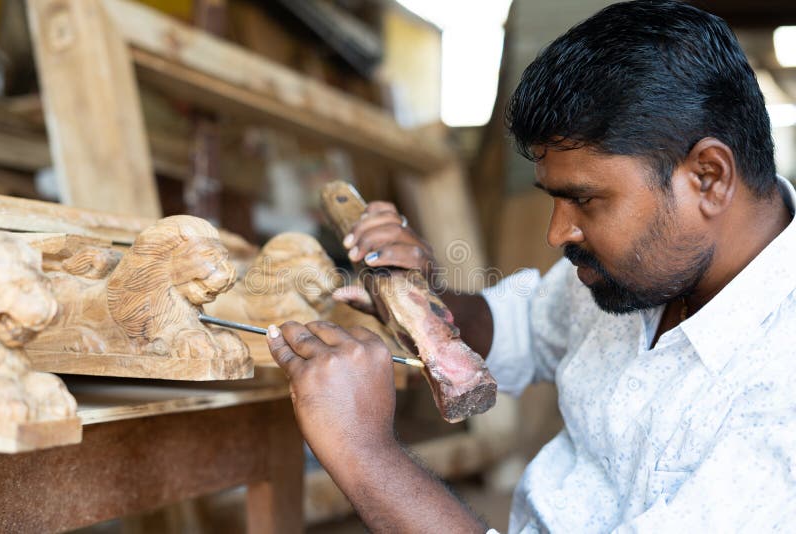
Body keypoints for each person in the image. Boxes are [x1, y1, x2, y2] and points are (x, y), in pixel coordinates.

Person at [265, 0, 796, 531]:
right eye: (555, 199)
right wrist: (422, 302)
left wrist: (364, 453)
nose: (557, 233)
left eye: (585, 200)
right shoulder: (637, 267)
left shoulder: (781, 403)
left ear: (708, 176)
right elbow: (520, 328)